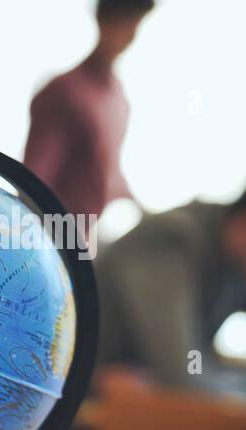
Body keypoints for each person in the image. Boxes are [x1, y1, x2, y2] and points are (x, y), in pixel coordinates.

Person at [95, 191, 246, 395]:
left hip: (139, 396)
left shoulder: (233, 267)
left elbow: (195, 362)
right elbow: (183, 373)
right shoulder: (169, 239)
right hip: (83, 391)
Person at [23, 0, 154, 223]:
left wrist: (146, 214)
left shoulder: (117, 96)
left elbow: (106, 171)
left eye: (136, 25)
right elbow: (32, 181)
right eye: (126, 24)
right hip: (53, 231)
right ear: (104, 20)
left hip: (86, 231)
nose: (131, 35)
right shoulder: (62, 92)